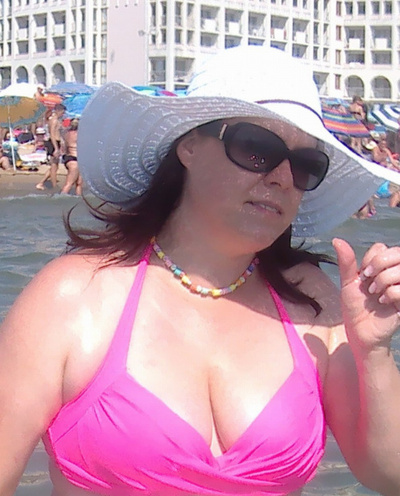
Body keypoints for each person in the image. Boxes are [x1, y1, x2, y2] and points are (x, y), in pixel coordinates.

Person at [1, 46, 400, 496]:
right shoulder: (74, 296)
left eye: (306, 165)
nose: (283, 177)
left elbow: (389, 474)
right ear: (189, 145)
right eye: (257, 148)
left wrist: (374, 352)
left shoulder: (314, 303)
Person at [36, 103, 66, 191]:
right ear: (58, 111)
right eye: (62, 112)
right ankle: (54, 186)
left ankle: (42, 183)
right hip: (53, 143)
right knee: (54, 166)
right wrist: (56, 148)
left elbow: (59, 133)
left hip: (56, 142)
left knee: (55, 166)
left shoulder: (57, 120)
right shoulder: (54, 120)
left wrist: (61, 144)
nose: (63, 114)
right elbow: (52, 134)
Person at [61, 118, 82, 195]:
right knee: (69, 184)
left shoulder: (67, 134)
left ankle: (79, 199)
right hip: (75, 159)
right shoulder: (79, 135)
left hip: (69, 157)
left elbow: (64, 147)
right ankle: (59, 199)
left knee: (79, 183)